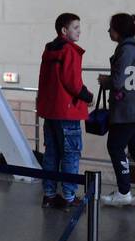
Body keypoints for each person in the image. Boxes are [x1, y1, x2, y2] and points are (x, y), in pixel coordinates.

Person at [97, 13, 135, 207]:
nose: (109, 31)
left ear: (119, 30)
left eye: (111, 28)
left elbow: (117, 82)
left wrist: (104, 80)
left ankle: (124, 191)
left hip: (128, 112)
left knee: (115, 147)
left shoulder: (125, 50)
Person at [35, 12, 92, 209]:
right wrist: (88, 96)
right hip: (67, 112)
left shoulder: (49, 49)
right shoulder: (70, 51)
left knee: (51, 153)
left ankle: (49, 195)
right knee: (71, 153)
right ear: (64, 30)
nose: (79, 31)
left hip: (50, 110)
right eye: (75, 28)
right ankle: (69, 196)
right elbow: (73, 83)